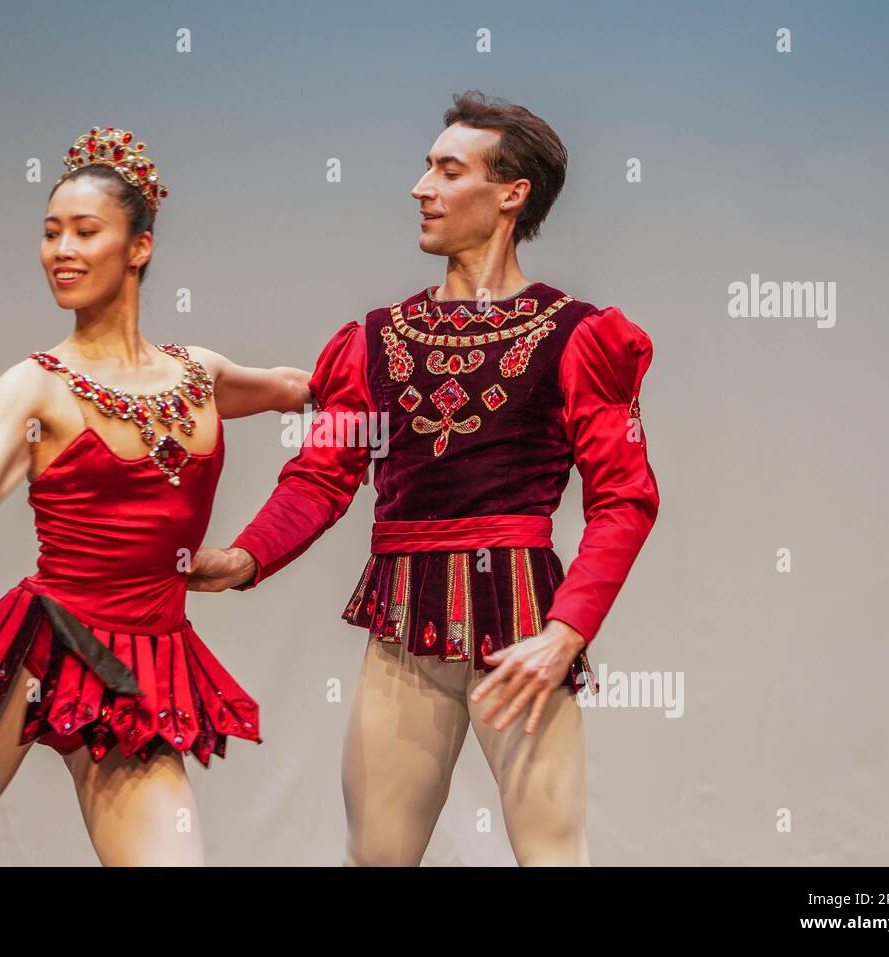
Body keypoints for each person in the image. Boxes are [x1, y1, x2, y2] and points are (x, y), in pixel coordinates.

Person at [189, 92, 660, 866]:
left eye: (447, 169)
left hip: (521, 630)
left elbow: (625, 499)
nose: (420, 186)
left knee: (553, 858)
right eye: (426, 166)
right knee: (375, 858)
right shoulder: (375, 339)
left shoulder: (578, 335)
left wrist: (566, 632)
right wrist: (246, 557)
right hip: (405, 627)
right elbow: (321, 474)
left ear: (512, 194)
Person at [0, 126, 311, 866]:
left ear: (139, 248)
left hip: (137, 670)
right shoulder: (36, 387)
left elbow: (298, 387)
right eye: (51, 233)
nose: (63, 250)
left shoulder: (199, 373)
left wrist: (404, 374)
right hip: (39, 645)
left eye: (87, 231)